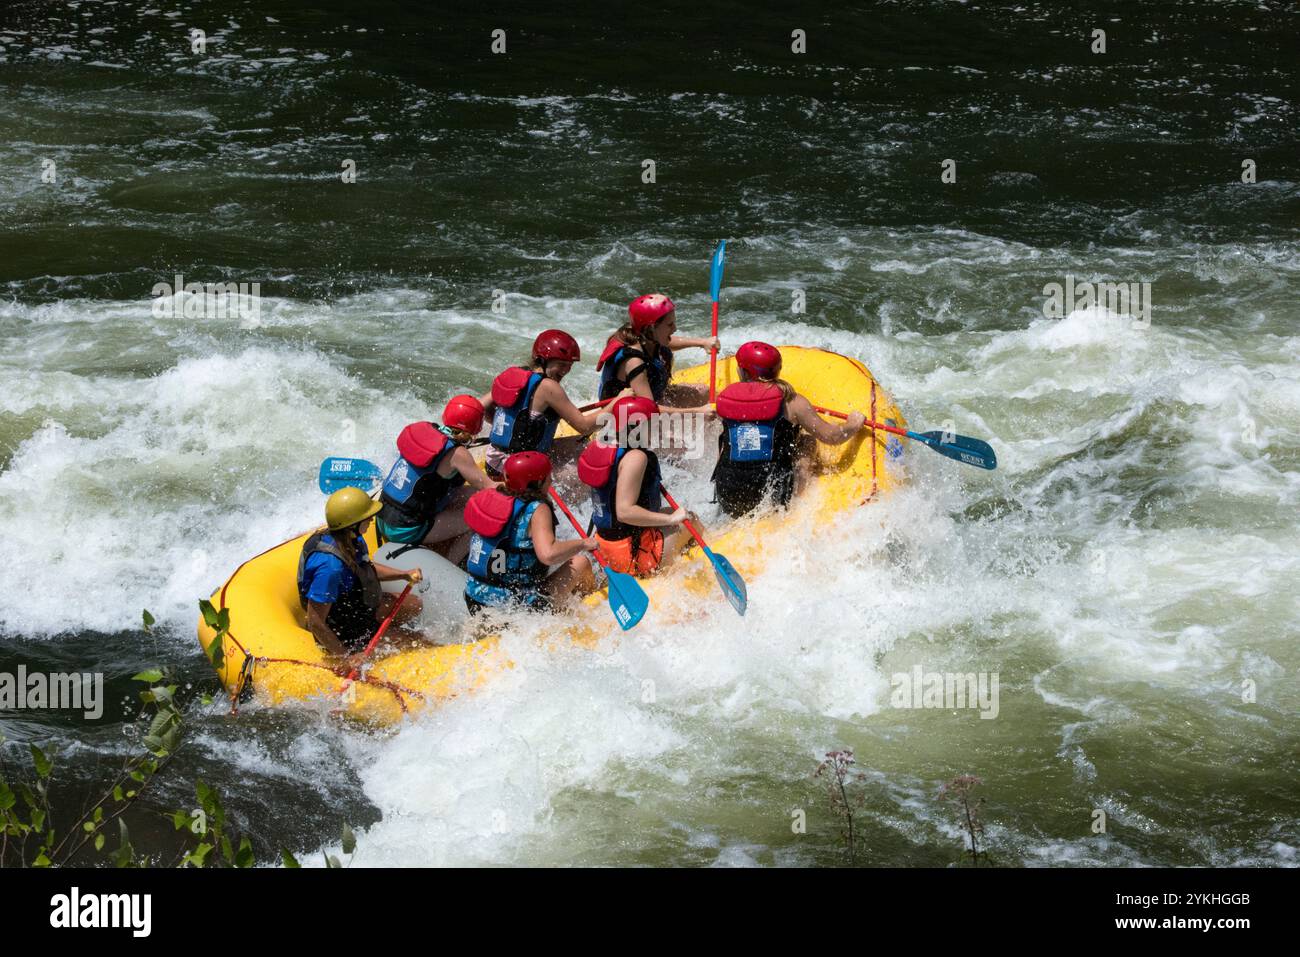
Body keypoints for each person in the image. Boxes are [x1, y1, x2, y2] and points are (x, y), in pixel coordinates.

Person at [711, 341, 868, 518]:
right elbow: (831, 437)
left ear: (743, 372)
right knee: (807, 441)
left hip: (729, 496)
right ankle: (799, 501)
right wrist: (853, 424)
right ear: (777, 370)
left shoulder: (726, 400)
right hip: (770, 496)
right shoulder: (793, 402)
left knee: (727, 438)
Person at [462, 451, 598, 615]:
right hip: (518, 608)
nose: (552, 480)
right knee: (581, 562)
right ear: (538, 482)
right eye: (548, 477)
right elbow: (548, 554)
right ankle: (589, 604)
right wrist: (583, 543)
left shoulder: (488, 497)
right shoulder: (537, 509)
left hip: (475, 600)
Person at [577, 395, 698, 578]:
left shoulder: (603, 445)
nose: (657, 429)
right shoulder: (636, 458)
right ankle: (668, 573)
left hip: (604, 546)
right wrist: (671, 519)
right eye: (653, 424)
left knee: (669, 512)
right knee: (691, 520)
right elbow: (625, 512)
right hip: (631, 555)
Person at [299, 486, 423, 663]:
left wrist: (404, 575)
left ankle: (383, 628)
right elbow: (316, 622)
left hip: (354, 605)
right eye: (367, 518)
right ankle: (375, 639)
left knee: (414, 605)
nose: (371, 520)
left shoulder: (351, 539)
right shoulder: (330, 569)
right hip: (342, 625)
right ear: (352, 526)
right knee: (415, 641)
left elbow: (364, 570)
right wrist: (346, 657)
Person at [375, 394, 496, 564]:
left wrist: (491, 394)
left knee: (470, 493)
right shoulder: (458, 454)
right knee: (479, 519)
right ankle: (452, 564)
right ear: (476, 428)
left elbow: (467, 412)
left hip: (382, 515)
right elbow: (490, 487)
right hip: (404, 529)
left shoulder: (424, 431)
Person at [478, 330, 605, 478]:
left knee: (581, 445)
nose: (566, 370)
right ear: (543, 360)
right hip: (515, 468)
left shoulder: (517, 375)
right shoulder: (549, 386)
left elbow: (481, 406)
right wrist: (617, 404)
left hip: (495, 460)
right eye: (561, 364)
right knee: (585, 472)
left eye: (570, 365)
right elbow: (584, 426)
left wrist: (507, 427)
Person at [595, 293, 718, 415]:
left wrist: (702, 342)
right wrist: (697, 412)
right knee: (672, 432)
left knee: (703, 392)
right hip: (626, 418)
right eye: (670, 325)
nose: (674, 328)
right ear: (651, 328)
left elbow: (668, 341)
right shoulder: (634, 362)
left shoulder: (644, 334)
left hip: (653, 397)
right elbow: (650, 410)